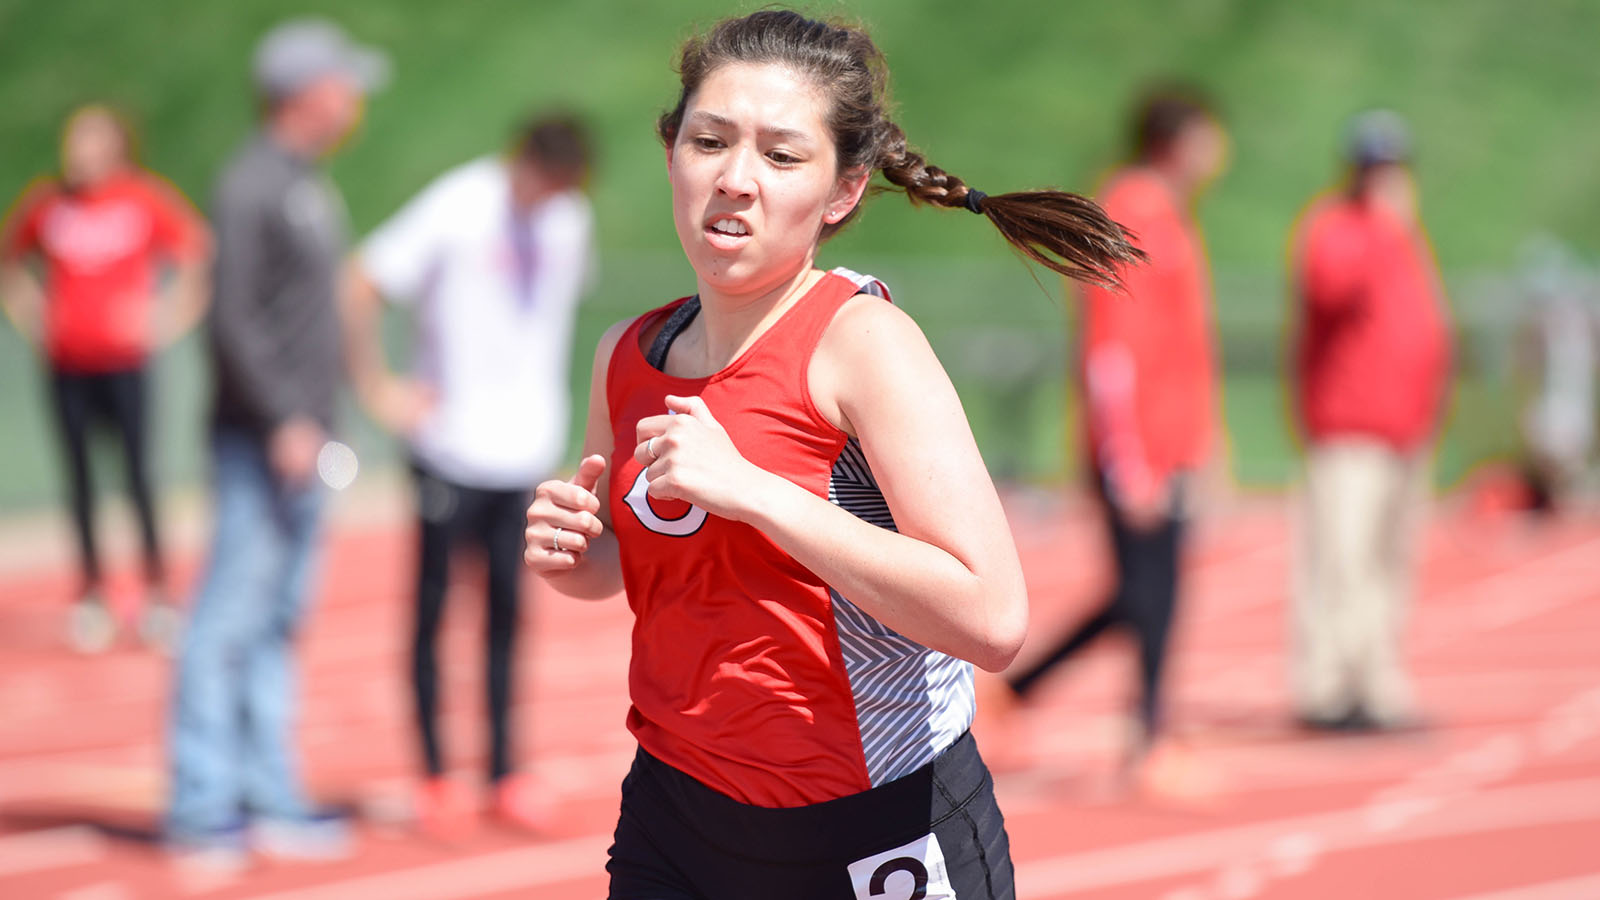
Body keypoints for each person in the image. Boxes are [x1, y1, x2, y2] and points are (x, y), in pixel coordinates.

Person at [522, 10, 1142, 899]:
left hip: (873, 827)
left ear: (844, 190)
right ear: (671, 156)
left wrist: (759, 493)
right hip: (676, 819)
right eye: (709, 141)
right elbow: (621, 565)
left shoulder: (865, 346)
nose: (736, 179)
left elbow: (992, 617)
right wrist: (577, 551)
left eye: (781, 156)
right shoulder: (627, 354)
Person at [166, 18, 387, 863]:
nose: (354, 101)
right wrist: (283, 421)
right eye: (344, 84)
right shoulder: (252, 183)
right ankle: (199, 805)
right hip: (263, 445)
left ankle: (267, 794)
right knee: (227, 620)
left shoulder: (300, 179)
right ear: (308, 92)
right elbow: (230, 321)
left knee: (278, 621)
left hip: (302, 442)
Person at [342, 114, 596, 838]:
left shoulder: (570, 221)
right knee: (432, 614)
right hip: (448, 449)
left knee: (510, 618)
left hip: (521, 456)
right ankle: (432, 775)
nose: (548, 201)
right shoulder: (459, 204)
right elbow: (362, 277)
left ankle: (505, 771)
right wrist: (377, 388)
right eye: (540, 186)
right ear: (520, 162)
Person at [994, 88, 1227, 790]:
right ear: (1177, 139)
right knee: (1146, 594)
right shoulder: (1131, 210)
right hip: (1137, 447)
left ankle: (1034, 694)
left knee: (1147, 593)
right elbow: (1113, 348)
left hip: (1171, 443)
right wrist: (1130, 461)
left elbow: (1183, 345)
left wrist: (1203, 440)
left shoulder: (1169, 214)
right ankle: (1147, 739)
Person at [0, 104, 209, 654]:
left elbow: (195, 253)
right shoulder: (49, 206)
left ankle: (160, 594)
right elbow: (10, 261)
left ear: (116, 146)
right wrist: (34, 315)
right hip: (66, 367)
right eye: (74, 141)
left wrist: (162, 319)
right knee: (79, 482)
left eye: (90, 141)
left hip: (125, 365)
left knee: (138, 477)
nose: (78, 152)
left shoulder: (142, 200)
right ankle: (92, 596)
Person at [1290, 110, 1452, 732]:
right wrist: (1384, 231)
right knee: (1341, 560)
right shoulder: (1336, 228)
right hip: (1348, 427)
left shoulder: (1404, 236)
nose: (1384, 177)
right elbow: (1328, 290)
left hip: (1404, 429)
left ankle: (1378, 683)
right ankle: (1326, 688)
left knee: (1389, 566)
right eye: (1374, 165)